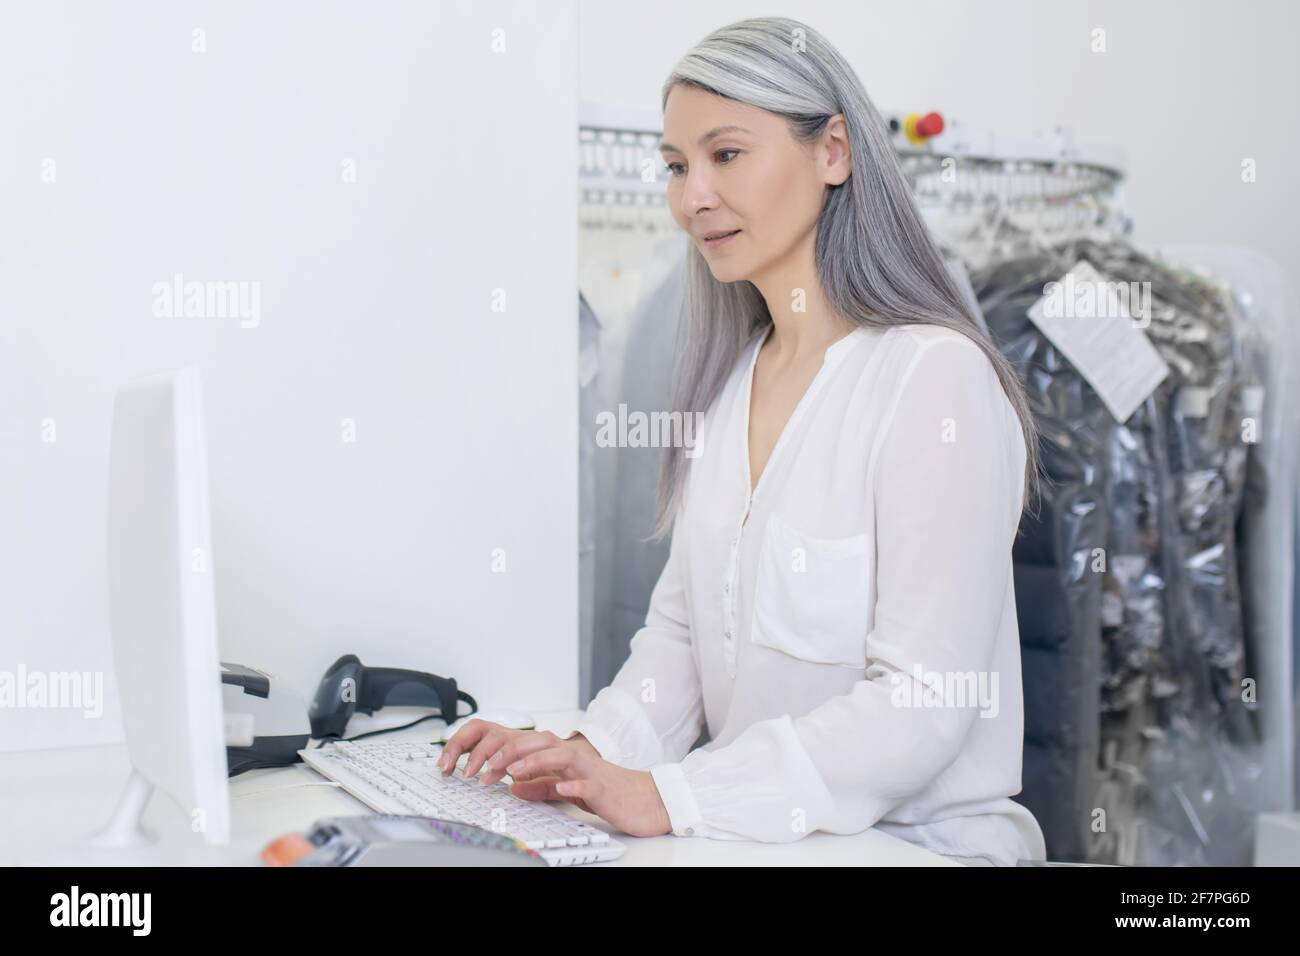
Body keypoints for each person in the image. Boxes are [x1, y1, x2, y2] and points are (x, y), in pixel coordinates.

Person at [439, 15, 1048, 866]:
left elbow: (924, 700)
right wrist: (584, 755)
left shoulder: (932, 379)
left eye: (726, 155)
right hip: (764, 843)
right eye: (677, 166)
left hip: (917, 848)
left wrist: (674, 796)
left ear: (833, 151)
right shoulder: (730, 382)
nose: (693, 197)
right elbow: (681, 642)